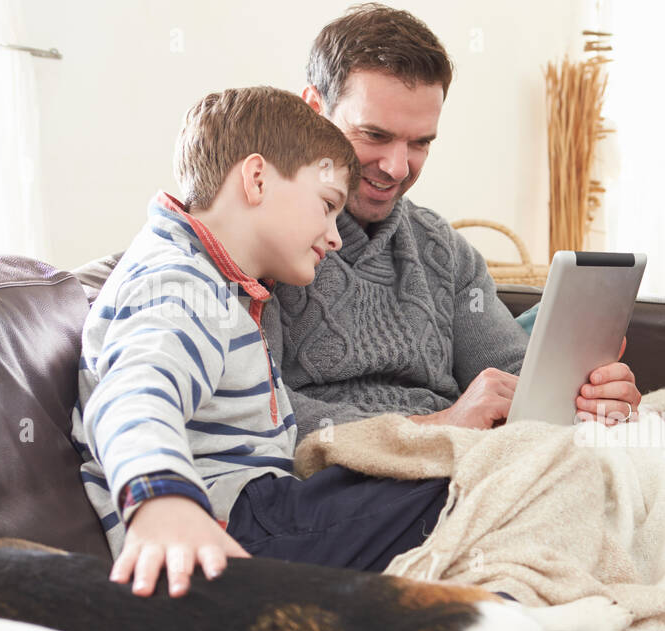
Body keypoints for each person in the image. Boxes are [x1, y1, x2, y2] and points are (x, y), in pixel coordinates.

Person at [71, 87, 452, 598]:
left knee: (450, 476)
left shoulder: (214, 279)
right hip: (231, 531)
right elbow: (133, 393)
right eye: (326, 206)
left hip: (263, 513)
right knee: (466, 487)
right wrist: (161, 499)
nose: (335, 235)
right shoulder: (179, 285)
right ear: (256, 180)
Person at [265, 3, 640, 435]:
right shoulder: (263, 243)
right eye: (375, 135)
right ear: (314, 109)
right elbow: (260, 410)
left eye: (420, 142)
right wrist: (432, 426)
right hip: (347, 473)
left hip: (462, 463)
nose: (398, 167)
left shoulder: (443, 251)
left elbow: (518, 378)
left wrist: (589, 398)